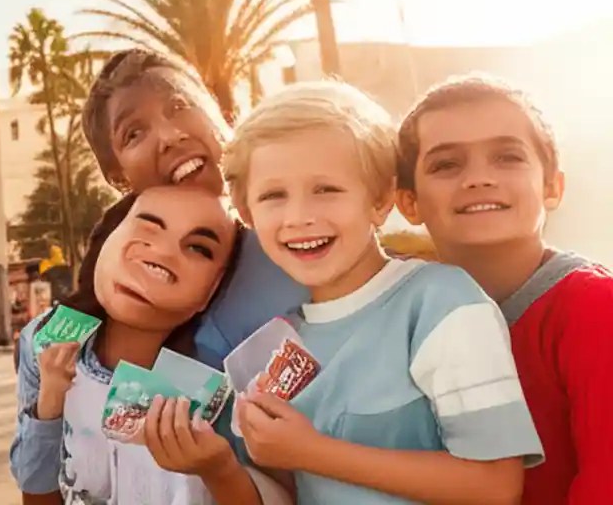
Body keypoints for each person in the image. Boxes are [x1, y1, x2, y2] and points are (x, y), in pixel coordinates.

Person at [224, 80, 543, 504]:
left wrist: (313, 452)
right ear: (246, 213)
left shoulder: (440, 304)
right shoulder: (276, 341)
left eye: (327, 189)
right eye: (273, 196)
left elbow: (495, 487)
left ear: (380, 200)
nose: (299, 216)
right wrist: (214, 465)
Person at [11, 48, 308, 501]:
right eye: (134, 133)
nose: (169, 136)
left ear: (218, 113)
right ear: (117, 175)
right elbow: (41, 485)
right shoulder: (57, 339)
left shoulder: (305, 236)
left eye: (179, 106)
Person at [393, 74, 613, 503]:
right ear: (409, 202)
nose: (478, 179)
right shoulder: (403, 315)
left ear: (552, 187)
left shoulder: (593, 307)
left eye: (507, 157)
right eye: (446, 165)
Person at [11, 186, 290, 504]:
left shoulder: (226, 389)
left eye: (199, 248)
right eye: (147, 228)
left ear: (214, 286)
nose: (162, 254)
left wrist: (219, 470)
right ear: (108, 238)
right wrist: (48, 408)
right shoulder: (47, 342)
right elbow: (36, 491)